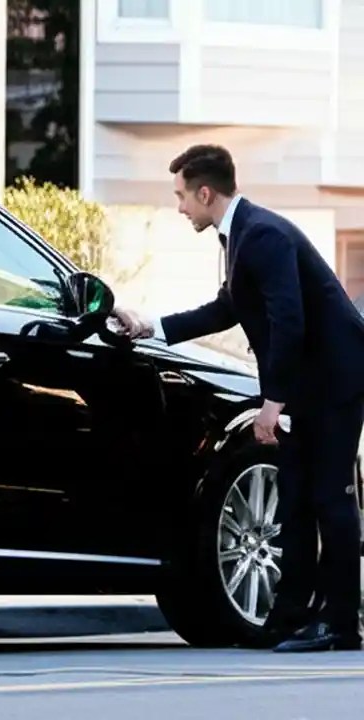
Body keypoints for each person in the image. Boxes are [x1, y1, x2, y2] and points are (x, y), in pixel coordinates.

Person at [112, 144, 364, 653]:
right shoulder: (242, 234)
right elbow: (228, 308)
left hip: (337, 382)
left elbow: (288, 319)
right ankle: (290, 619)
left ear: (206, 193)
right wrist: (152, 327)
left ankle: (341, 624)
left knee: (329, 499)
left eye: (182, 197)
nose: (180, 208)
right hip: (310, 386)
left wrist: (273, 401)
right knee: (294, 499)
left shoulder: (262, 235)